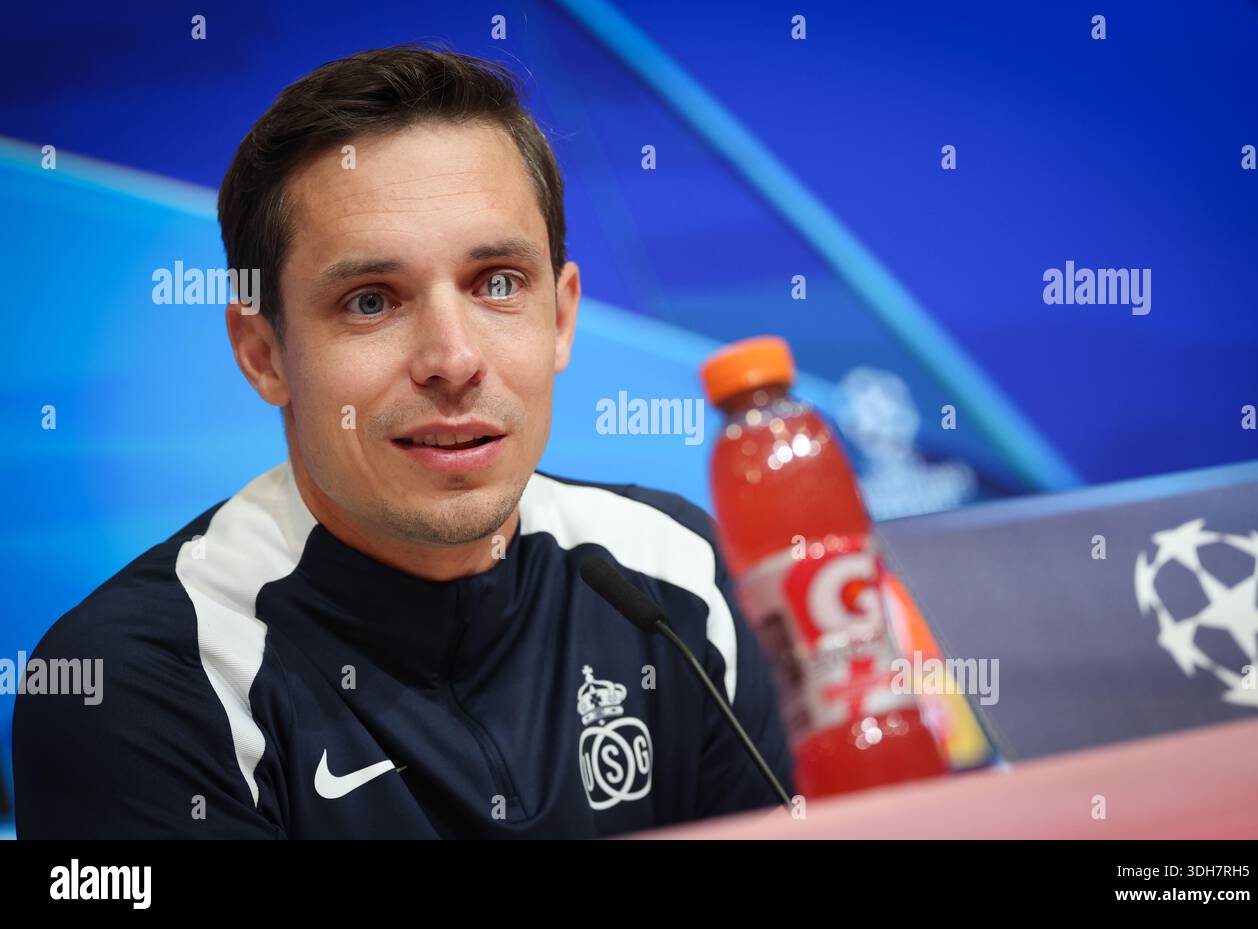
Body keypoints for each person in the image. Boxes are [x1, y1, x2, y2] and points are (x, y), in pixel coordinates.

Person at [13, 44, 793, 838]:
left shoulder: (675, 578)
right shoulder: (139, 680)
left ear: (560, 318)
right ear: (264, 352)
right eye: (370, 301)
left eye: (497, 282)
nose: (453, 361)